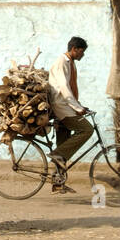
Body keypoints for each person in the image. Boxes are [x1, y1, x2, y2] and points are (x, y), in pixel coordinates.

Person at [48, 36, 93, 193]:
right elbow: (64, 88)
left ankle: (58, 183)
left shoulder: (70, 63)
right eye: (81, 51)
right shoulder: (62, 63)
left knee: (63, 144)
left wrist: (79, 106)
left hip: (67, 106)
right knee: (87, 129)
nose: (83, 55)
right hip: (61, 107)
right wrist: (77, 108)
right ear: (74, 49)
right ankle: (57, 154)